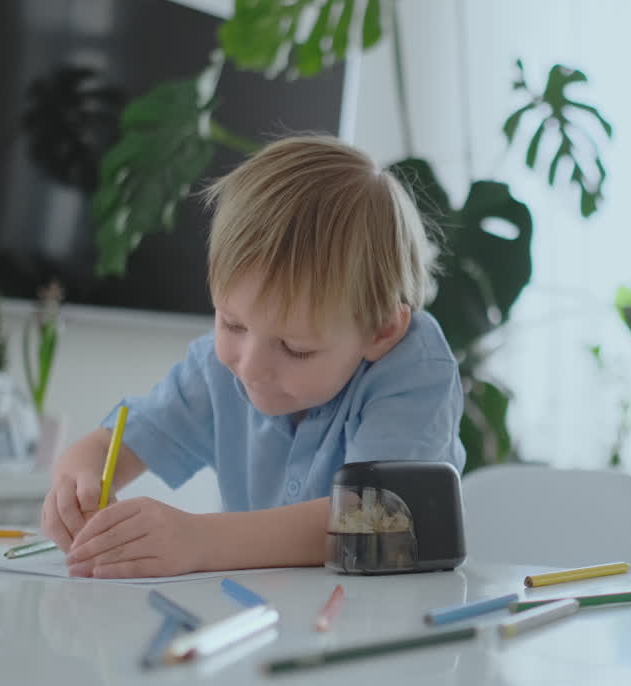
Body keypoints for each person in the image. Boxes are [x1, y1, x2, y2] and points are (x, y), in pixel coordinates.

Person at [39, 136, 465, 578]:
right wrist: (78, 478)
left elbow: (373, 518)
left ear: (382, 331)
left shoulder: (412, 369)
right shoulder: (214, 369)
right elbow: (114, 444)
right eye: (232, 324)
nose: (250, 367)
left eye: (296, 348)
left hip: (390, 623)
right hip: (260, 617)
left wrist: (200, 539)